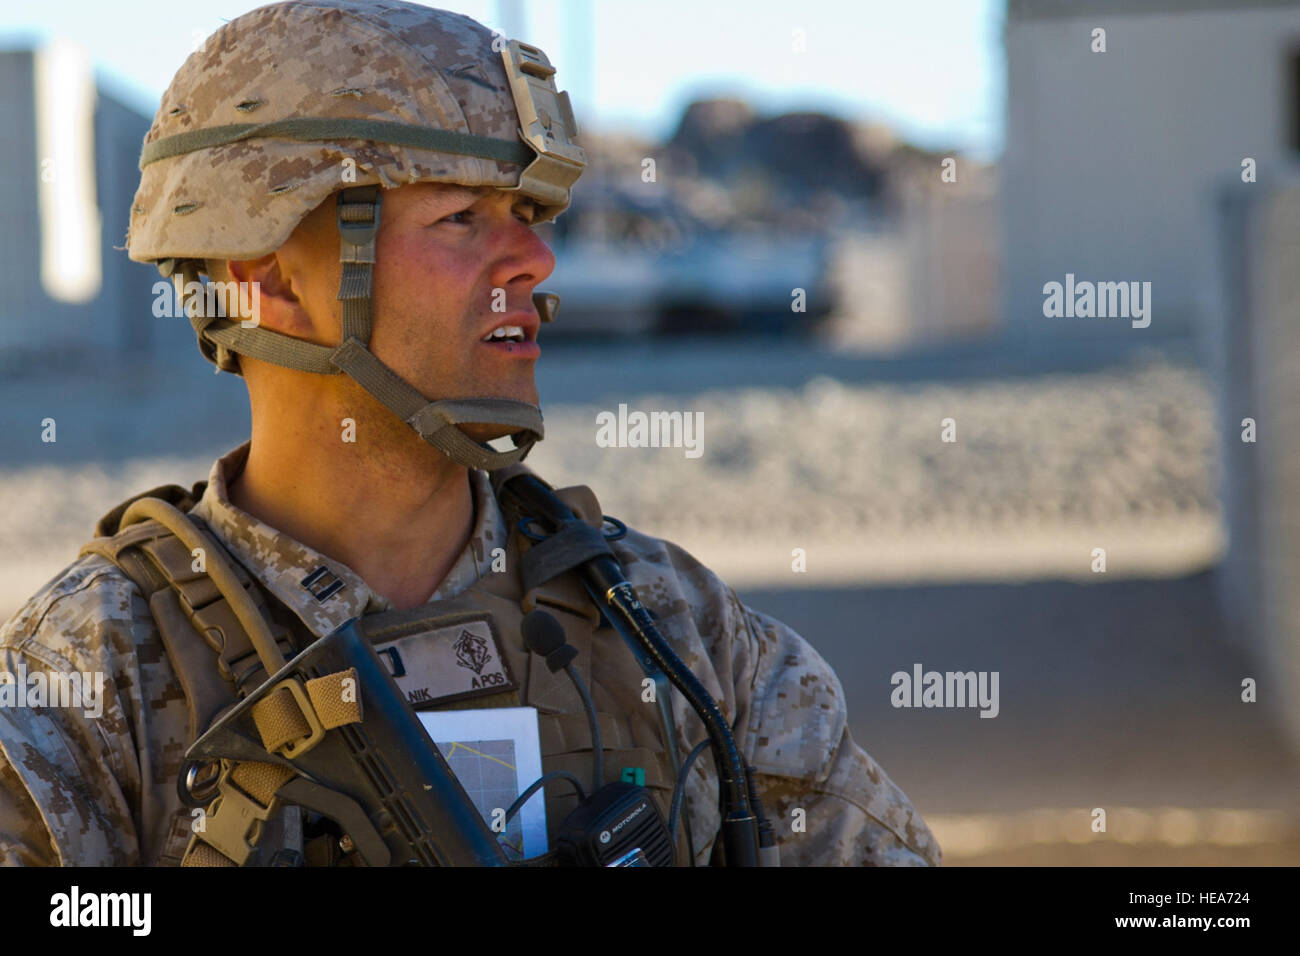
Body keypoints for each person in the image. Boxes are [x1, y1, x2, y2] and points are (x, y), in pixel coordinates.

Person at [0, 0, 940, 867]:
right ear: (273, 281)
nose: (533, 259)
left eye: (530, 217)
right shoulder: (87, 678)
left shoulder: (677, 634)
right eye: (462, 216)